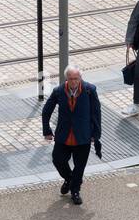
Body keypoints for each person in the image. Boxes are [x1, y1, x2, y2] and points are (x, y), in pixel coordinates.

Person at [42, 66, 102, 205]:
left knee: (79, 166)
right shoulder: (58, 91)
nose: (74, 82)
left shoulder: (89, 90)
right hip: (64, 135)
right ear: (66, 79)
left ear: (80, 78)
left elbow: (96, 113)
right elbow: (46, 111)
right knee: (58, 160)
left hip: (83, 136)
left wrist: (96, 134)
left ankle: (75, 191)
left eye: (76, 79)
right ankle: (69, 179)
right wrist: (47, 131)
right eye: (71, 79)